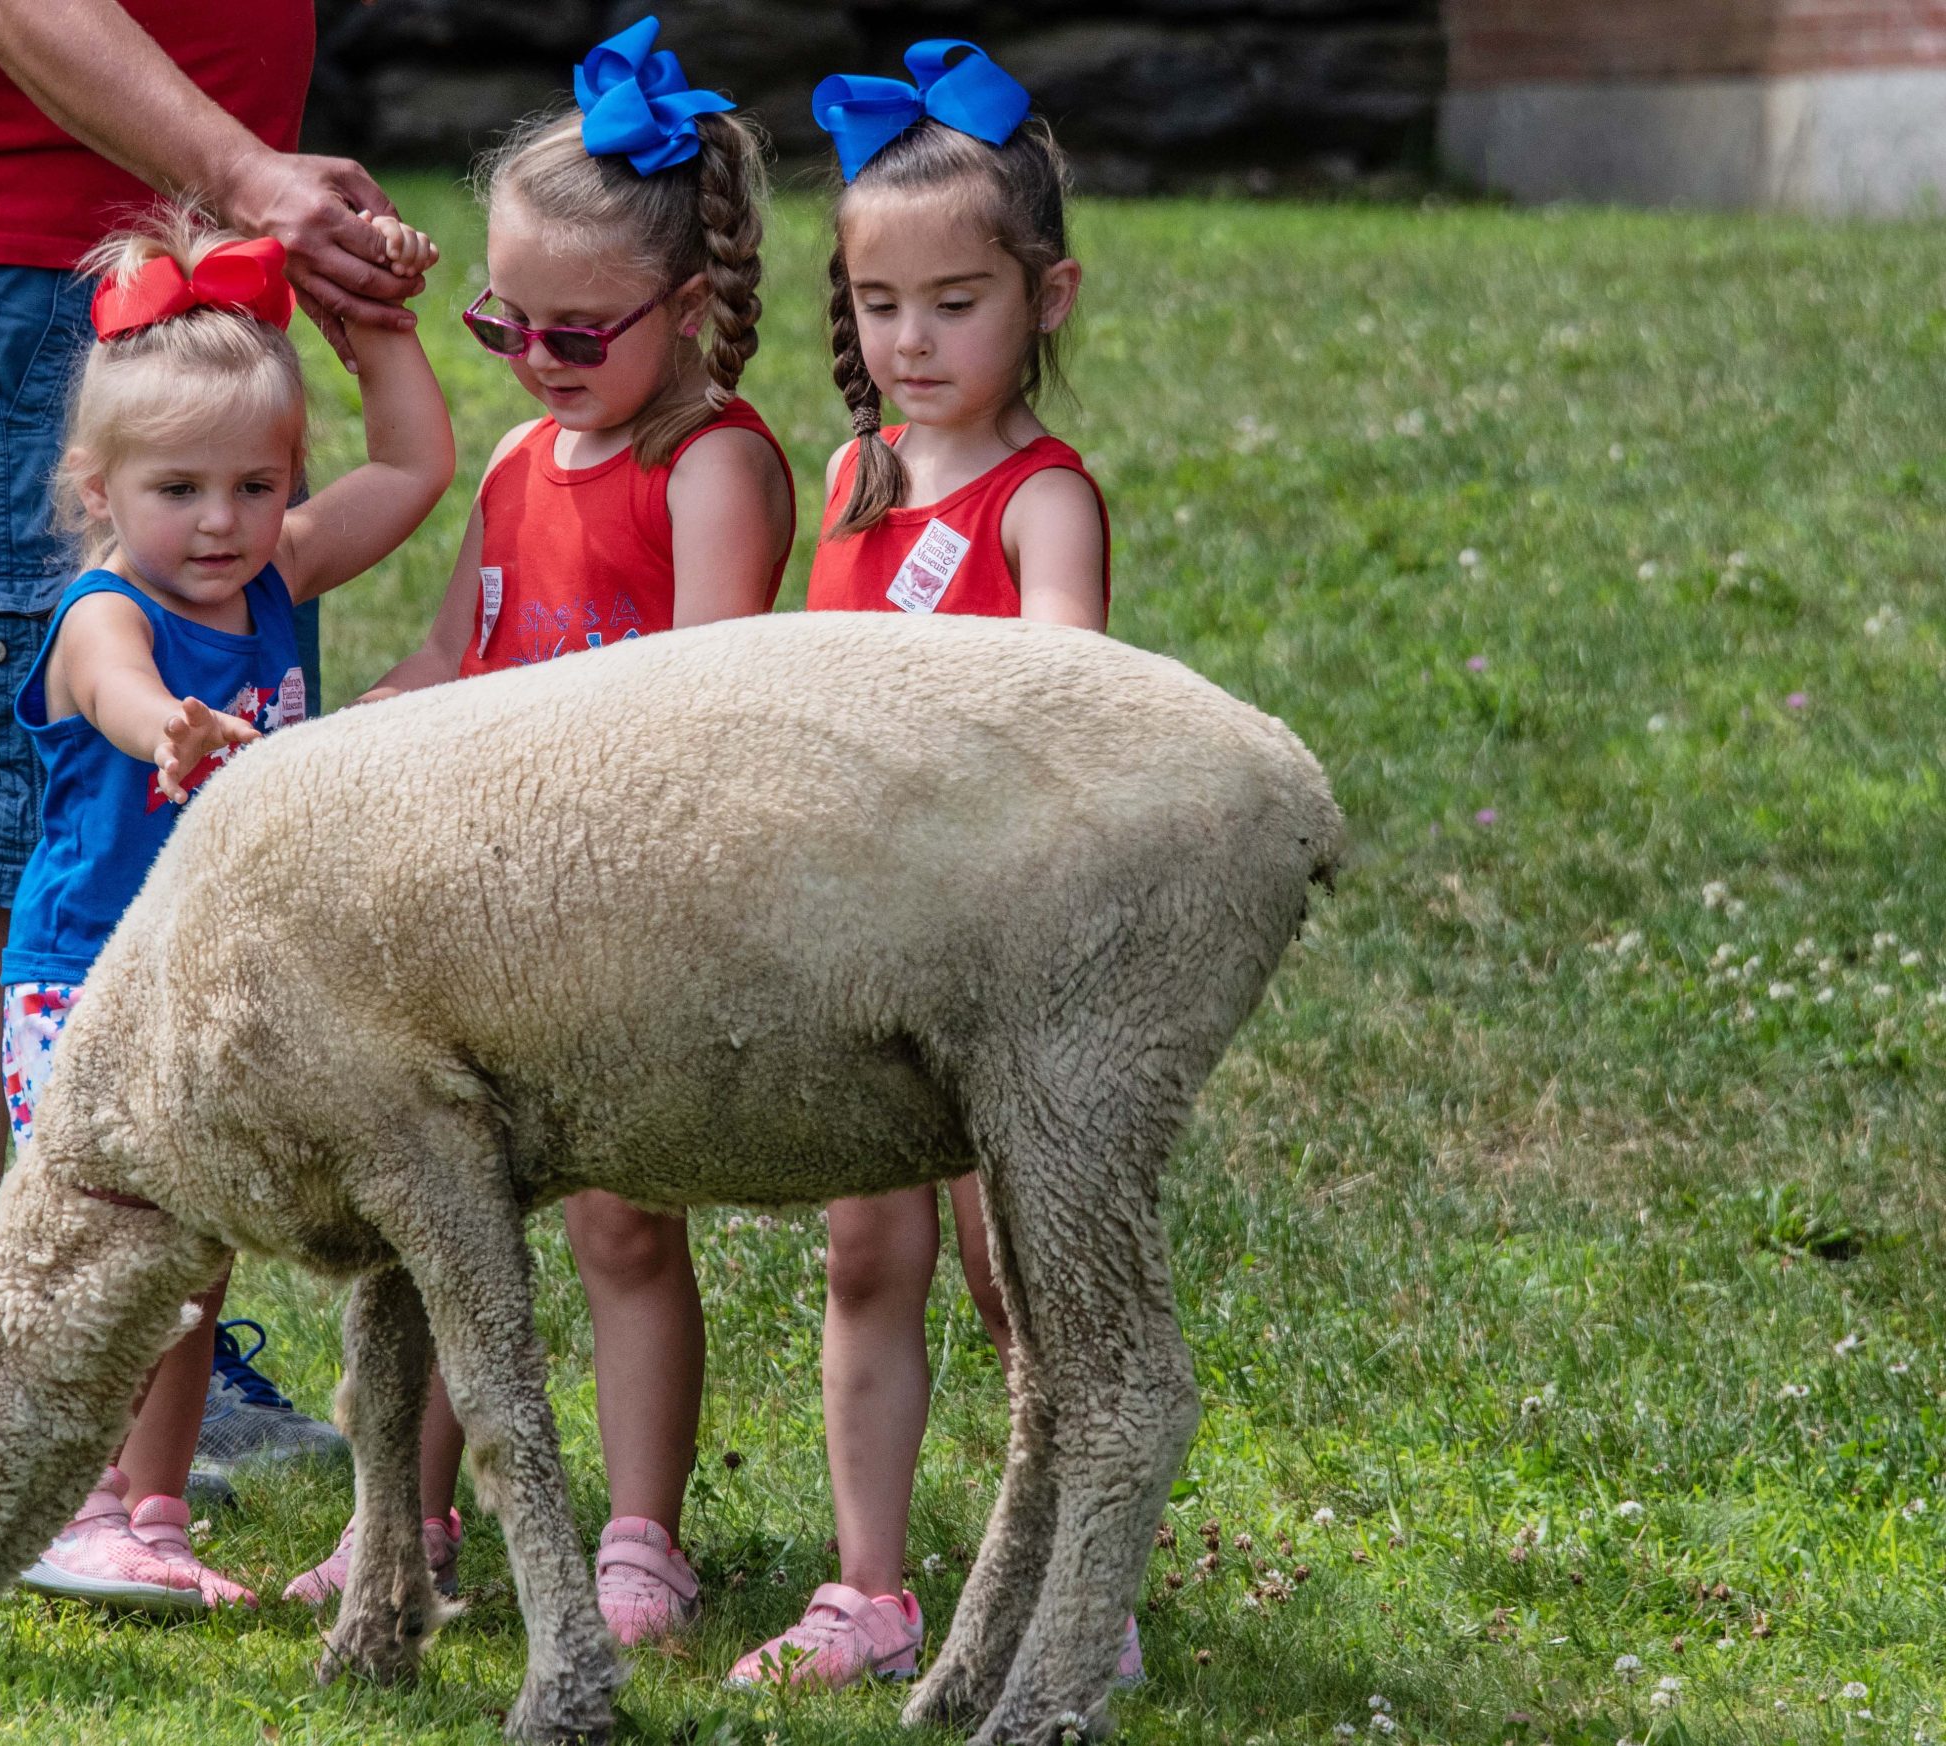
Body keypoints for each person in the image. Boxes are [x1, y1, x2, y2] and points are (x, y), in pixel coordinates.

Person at [0, 0, 413, 1501]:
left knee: (132, 827)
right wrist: (245, 173)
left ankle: (120, 1351)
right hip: (9, 250)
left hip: (132, 248)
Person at [278, 16, 792, 1647]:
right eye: (507, 321)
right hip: (481, 909)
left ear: (690, 310)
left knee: (627, 1221)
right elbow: (449, 656)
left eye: (581, 331)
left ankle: (640, 1533)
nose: (540, 358)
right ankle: (406, 1524)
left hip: (622, 902)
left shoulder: (713, 465)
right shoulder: (512, 458)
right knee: (439, 1224)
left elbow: (702, 703)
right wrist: (345, 746)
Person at [724, 41, 1137, 1691]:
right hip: (861, 936)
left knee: (1010, 1261)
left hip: (1006, 934)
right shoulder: (849, 478)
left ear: (1047, 296)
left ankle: (1079, 1577)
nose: (912, 340)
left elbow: (1063, 697)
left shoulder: (1048, 501)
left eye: (954, 303)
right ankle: (871, 1586)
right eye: (881, 304)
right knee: (865, 1247)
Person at [3, 204, 453, 1607]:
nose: (223, 522)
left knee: (192, 1259)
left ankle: (149, 1511)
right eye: (181, 490)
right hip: (86, 986)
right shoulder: (105, 613)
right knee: (109, 1257)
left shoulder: (274, 576)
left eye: (257, 486)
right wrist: (168, 734)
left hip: (214, 984)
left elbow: (415, 466)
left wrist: (377, 331)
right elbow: (125, 693)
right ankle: (70, 1497)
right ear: (99, 492)